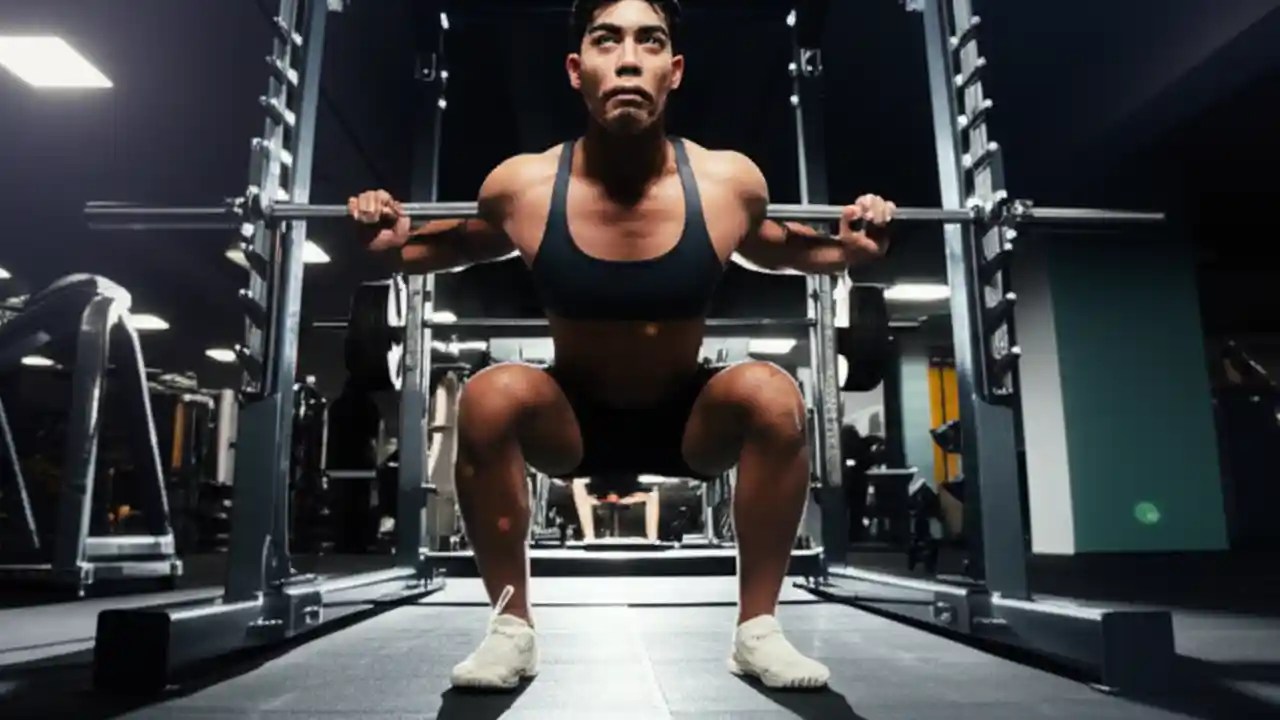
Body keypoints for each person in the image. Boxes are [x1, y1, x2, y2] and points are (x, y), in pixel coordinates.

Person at [349, 0, 895, 692]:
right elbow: (440, 248)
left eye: (651, 41)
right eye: (608, 40)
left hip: (687, 422)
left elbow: (786, 251)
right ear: (578, 70)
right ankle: (511, 630)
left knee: (774, 393)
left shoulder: (729, 182)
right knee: (488, 395)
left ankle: (757, 631)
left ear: (675, 71)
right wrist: (389, 245)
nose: (630, 57)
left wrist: (851, 249)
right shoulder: (523, 185)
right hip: (572, 423)